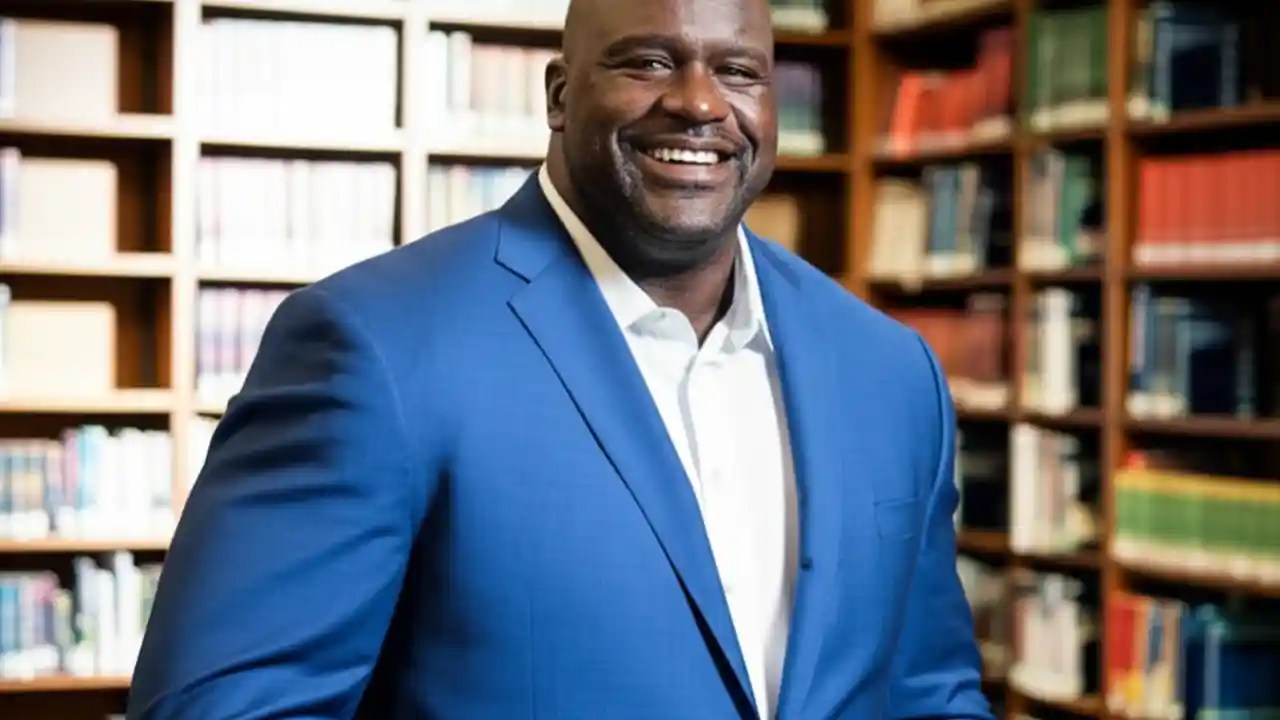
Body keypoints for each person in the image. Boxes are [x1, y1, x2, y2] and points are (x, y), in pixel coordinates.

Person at [126, 0, 994, 717]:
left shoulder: (888, 372)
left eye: (739, 72)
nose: (699, 104)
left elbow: (931, 693)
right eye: (648, 62)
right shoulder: (375, 345)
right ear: (559, 93)